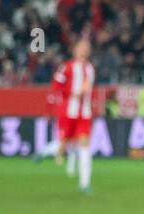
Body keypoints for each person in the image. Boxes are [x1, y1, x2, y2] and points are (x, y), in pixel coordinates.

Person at [51, 38, 96, 193]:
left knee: (84, 144)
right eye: (81, 47)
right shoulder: (67, 67)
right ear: (75, 50)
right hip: (68, 113)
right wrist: (73, 93)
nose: (84, 50)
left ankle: (85, 183)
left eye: (87, 47)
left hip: (84, 114)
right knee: (63, 145)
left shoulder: (90, 68)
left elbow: (89, 92)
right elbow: (56, 86)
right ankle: (45, 152)